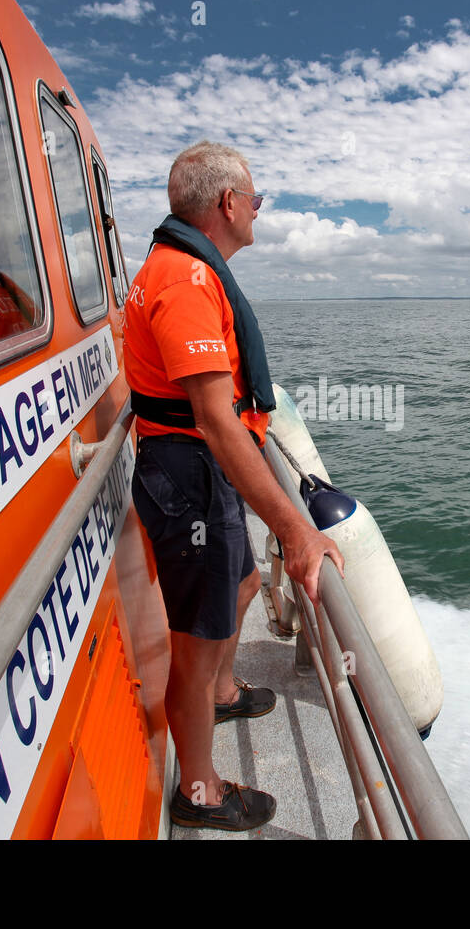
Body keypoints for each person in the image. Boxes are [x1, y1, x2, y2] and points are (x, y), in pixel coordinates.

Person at [123, 141, 344, 831]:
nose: (258, 211)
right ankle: (199, 791)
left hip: (198, 472)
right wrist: (296, 531)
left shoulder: (187, 267)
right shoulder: (186, 281)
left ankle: (219, 689)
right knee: (194, 642)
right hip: (187, 474)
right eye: (256, 199)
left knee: (244, 584)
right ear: (227, 204)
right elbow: (218, 425)